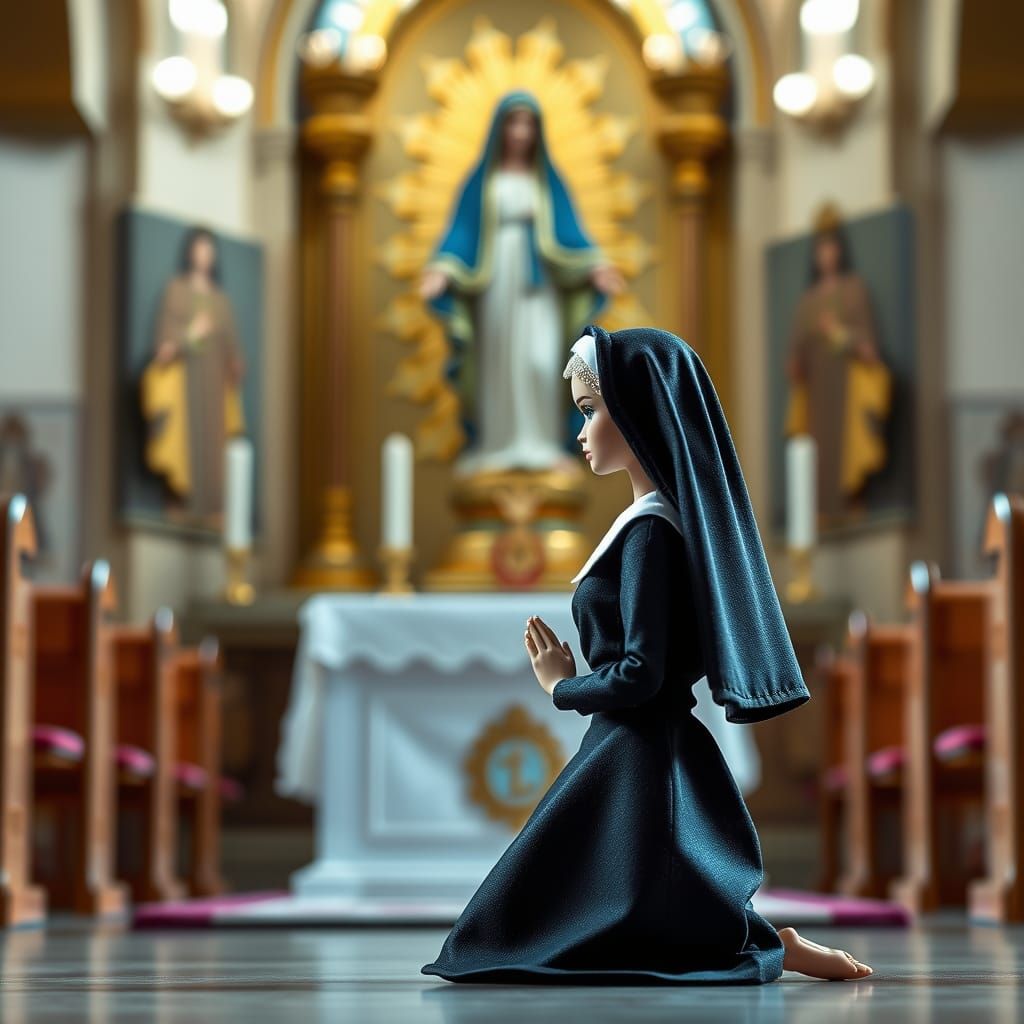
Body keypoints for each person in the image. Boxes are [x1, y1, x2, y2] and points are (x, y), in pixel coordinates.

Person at [422, 325, 873, 984]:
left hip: (641, 745)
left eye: (591, 410)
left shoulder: (650, 535)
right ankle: (769, 942)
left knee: (586, 905)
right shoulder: (646, 525)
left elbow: (641, 673)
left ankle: (770, 945)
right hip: (627, 747)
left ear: (637, 410)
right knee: (590, 901)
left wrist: (562, 685)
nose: (580, 432)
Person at [418, 91, 624, 476]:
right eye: (513, 122)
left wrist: (595, 267)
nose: (520, 132)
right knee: (499, 362)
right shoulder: (483, 182)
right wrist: (441, 269)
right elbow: (462, 231)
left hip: (541, 291)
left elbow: (569, 232)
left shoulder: (547, 182)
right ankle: (499, 442)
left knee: (540, 362)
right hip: (496, 287)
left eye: (527, 123)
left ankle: (542, 443)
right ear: (500, 129)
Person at [141, 226, 246, 528]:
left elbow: (232, 346)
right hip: (186, 384)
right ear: (190, 253)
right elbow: (164, 345)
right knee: (184, 440)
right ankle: (181, 499)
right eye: (199, 249)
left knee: (216, 443)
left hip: (214, 384)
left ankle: (213, 505)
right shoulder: (176, 291)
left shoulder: (221, 300)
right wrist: (190, 335)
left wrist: (235, 364)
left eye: (209, 250)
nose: (203, 255)